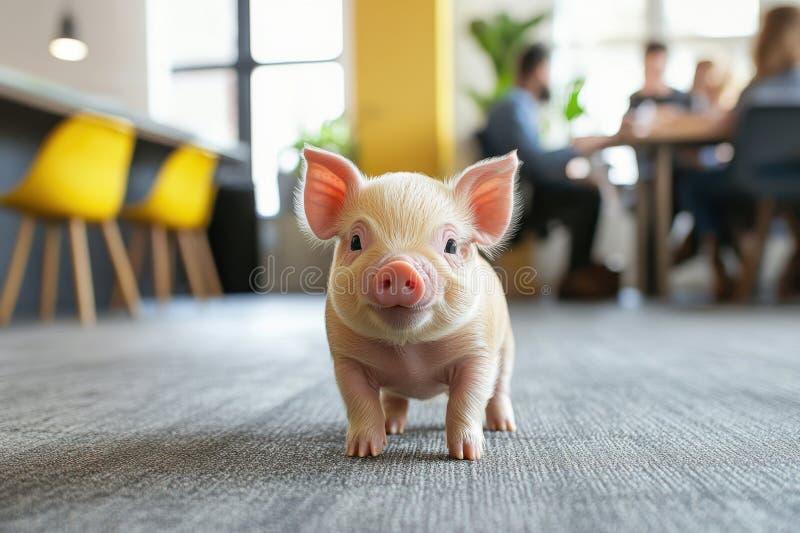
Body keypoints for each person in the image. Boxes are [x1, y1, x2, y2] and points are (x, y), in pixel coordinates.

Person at [627, 6, 800, 300]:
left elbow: (721, 125)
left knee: (694, 185)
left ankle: (720, 264)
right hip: (794, 182)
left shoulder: (755, 92)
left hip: (749, 181)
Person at [480, 43, 620, 299]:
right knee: (588, 196)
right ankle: (576, 276)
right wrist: (576, 148)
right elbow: (533, 164)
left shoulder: (519, 106)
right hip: (523, 199)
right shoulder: (513, 106)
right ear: (539, 70)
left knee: (584, 190)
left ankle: (579, 273)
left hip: (525, 190)